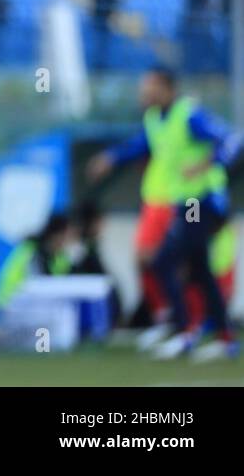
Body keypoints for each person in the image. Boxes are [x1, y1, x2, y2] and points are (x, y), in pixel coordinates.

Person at [87, 66, 238, 361]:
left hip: (203, 201)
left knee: (166, 259)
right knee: (198, 268)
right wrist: (111, 158)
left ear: (168, 88)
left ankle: (184, 332)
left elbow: (232, 139)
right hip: (184, 202)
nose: (144, 94)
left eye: (150, 88)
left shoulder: (189, 115)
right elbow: (139, 146)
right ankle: (223, 337)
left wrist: (210, 162)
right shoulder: (155, 120)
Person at [91, 0, 120, 70]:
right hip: (100, 16)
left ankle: (102, 65)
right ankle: (98, 66)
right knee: (99, 44)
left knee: (104, 45)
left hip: (106, 16)